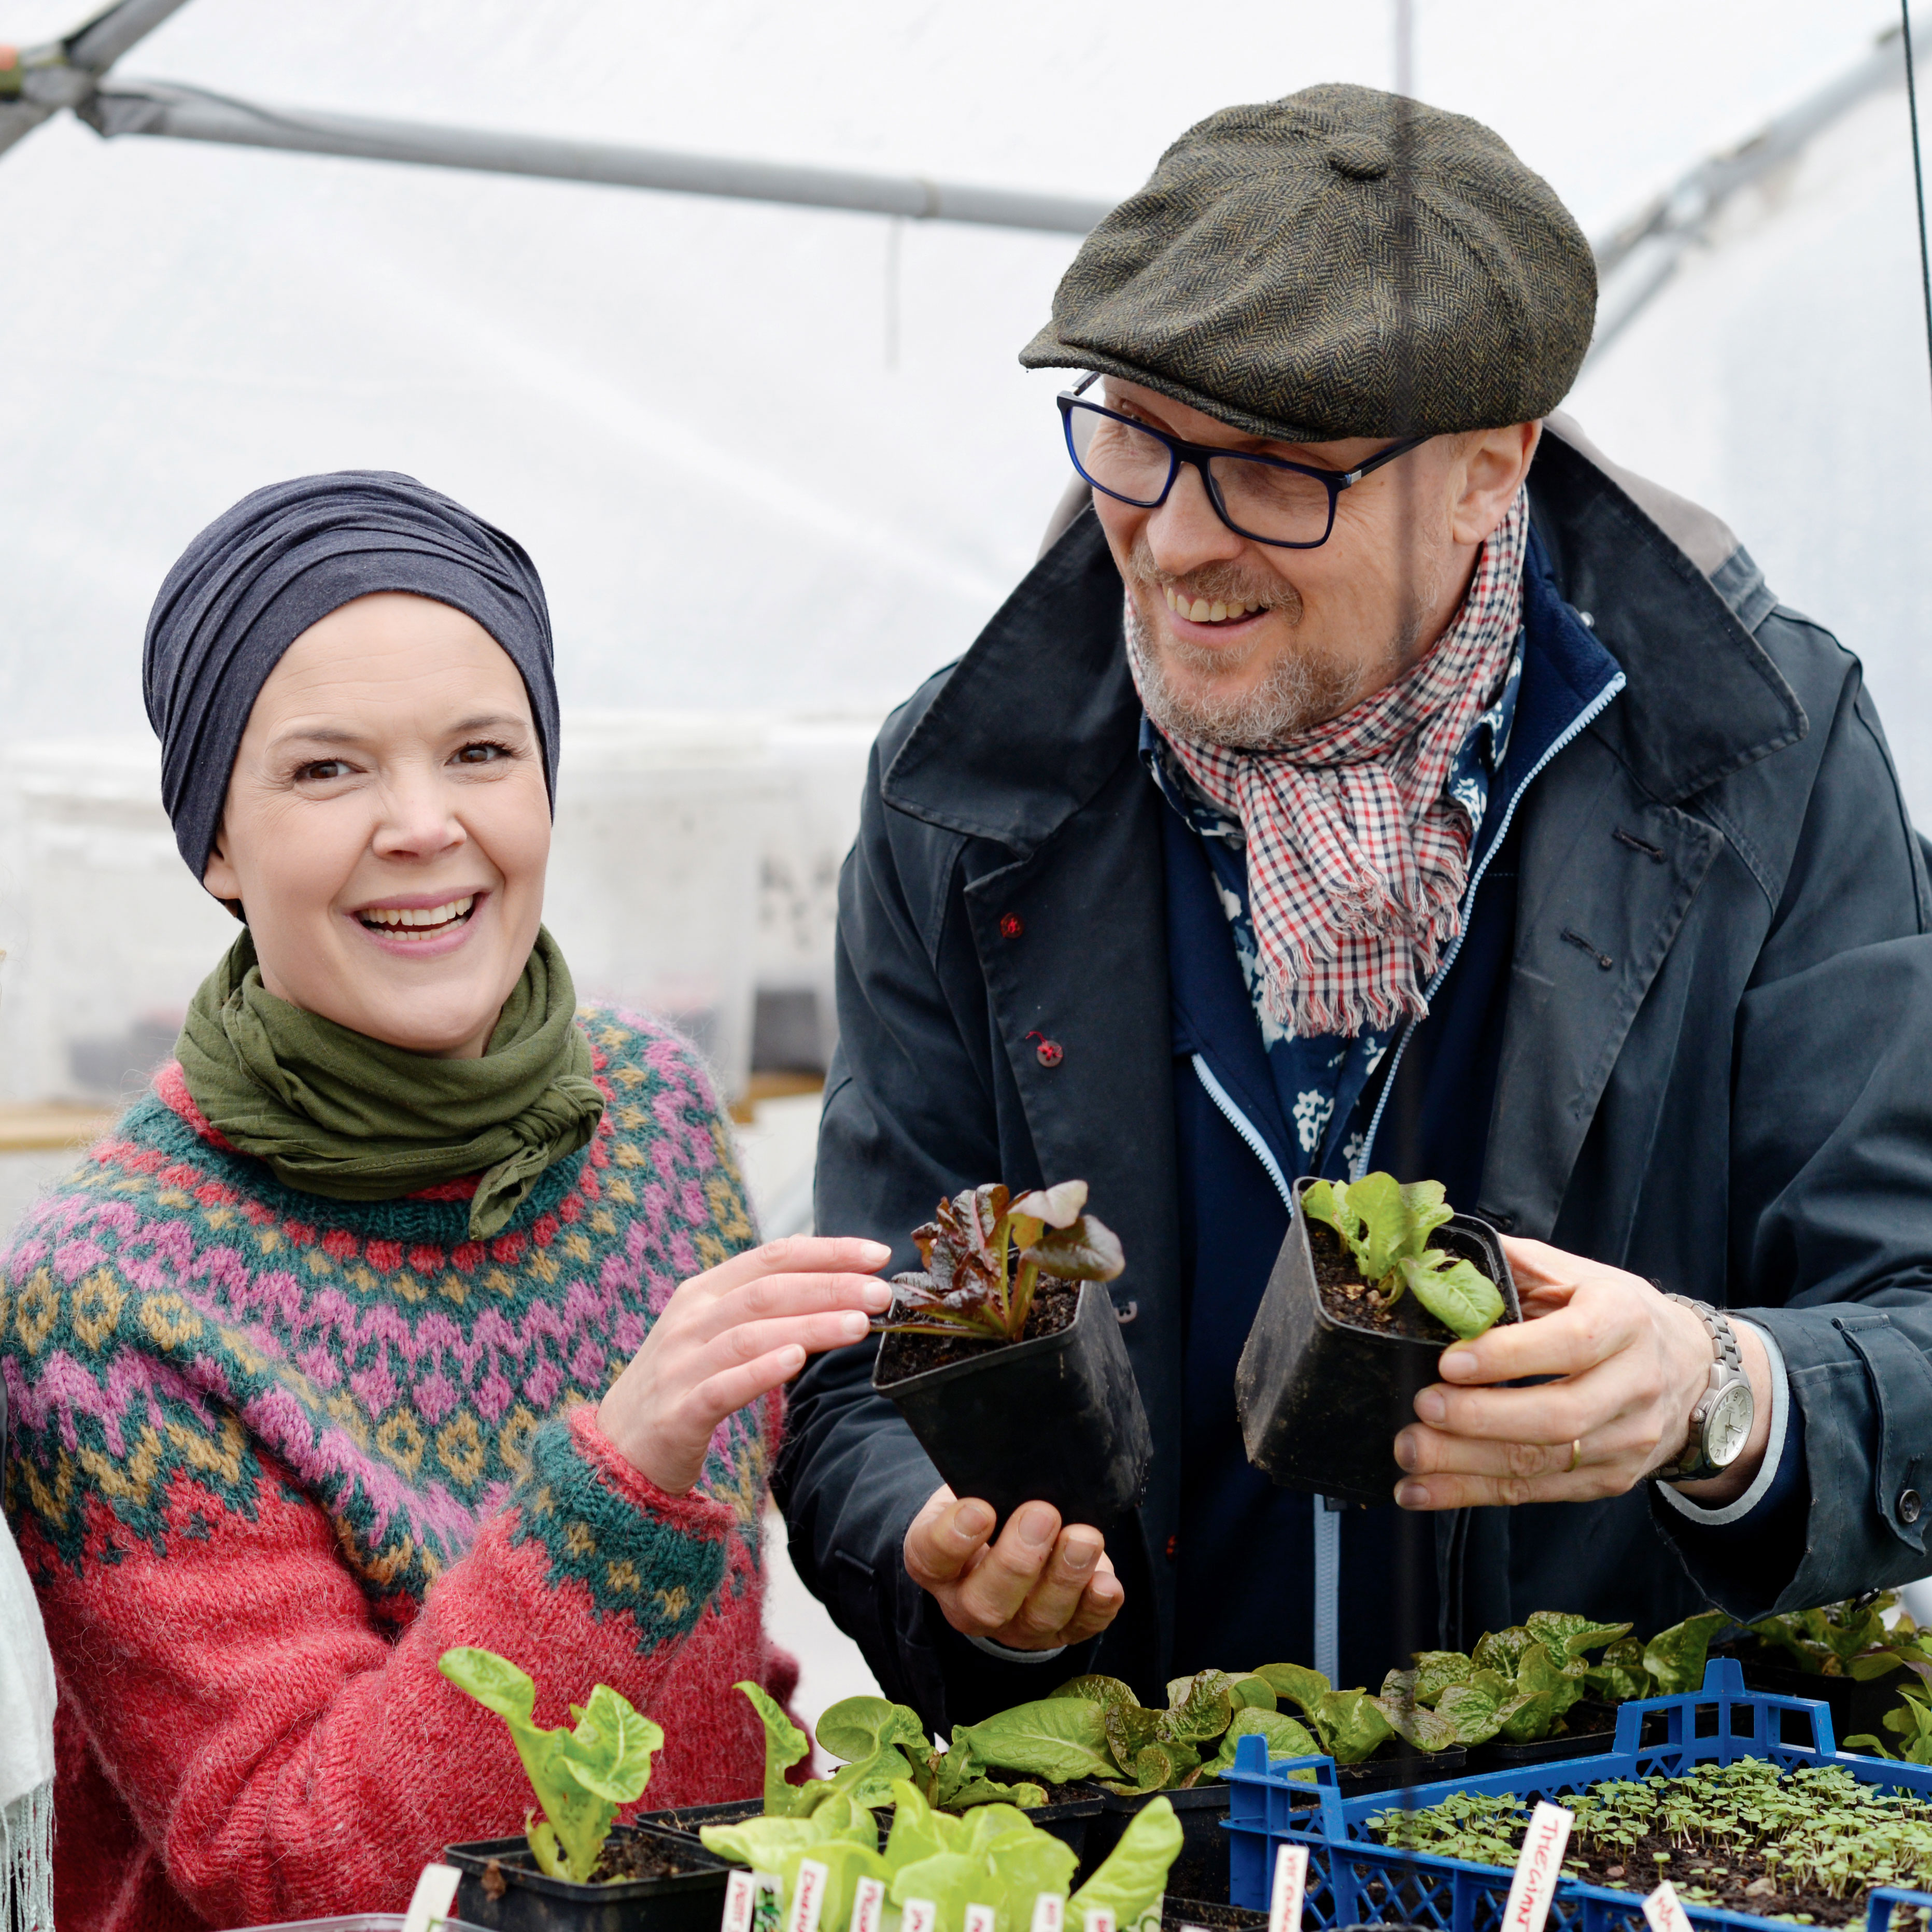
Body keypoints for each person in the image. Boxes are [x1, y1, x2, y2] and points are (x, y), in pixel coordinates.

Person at [775, 82, 1932, 1730]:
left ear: (1488, 473)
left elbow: (1916, 1311)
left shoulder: (1760, 755)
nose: (1175, 540)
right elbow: (866, 1356)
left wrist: (1720, 1397)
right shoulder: (962, 800)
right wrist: (948, 1564)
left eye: (1271, 470)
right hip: (1153, 1851)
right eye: (1136, 434)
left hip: (1595, 1839)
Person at [0, 473, 892, 1929]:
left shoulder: (654, 1120)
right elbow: (297, 1868)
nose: (424, 825)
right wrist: (622, 1474)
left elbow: (723, 1684)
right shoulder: (107, 1305)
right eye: (326, 771)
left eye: (482, 750)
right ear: (215, 842)